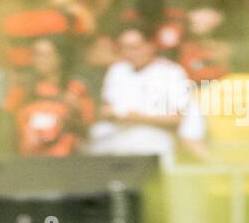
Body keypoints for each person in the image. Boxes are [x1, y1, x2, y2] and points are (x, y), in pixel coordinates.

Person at [89, 25, 207, 165]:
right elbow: (106, 108)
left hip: (154, 142)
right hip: (117, 142)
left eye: (135, 47)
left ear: (150, 46)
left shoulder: (171, 72)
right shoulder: (117, 70)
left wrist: (136, 117)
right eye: (124, 48)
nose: (130, 53)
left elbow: (177, 119)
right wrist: (111, 114)